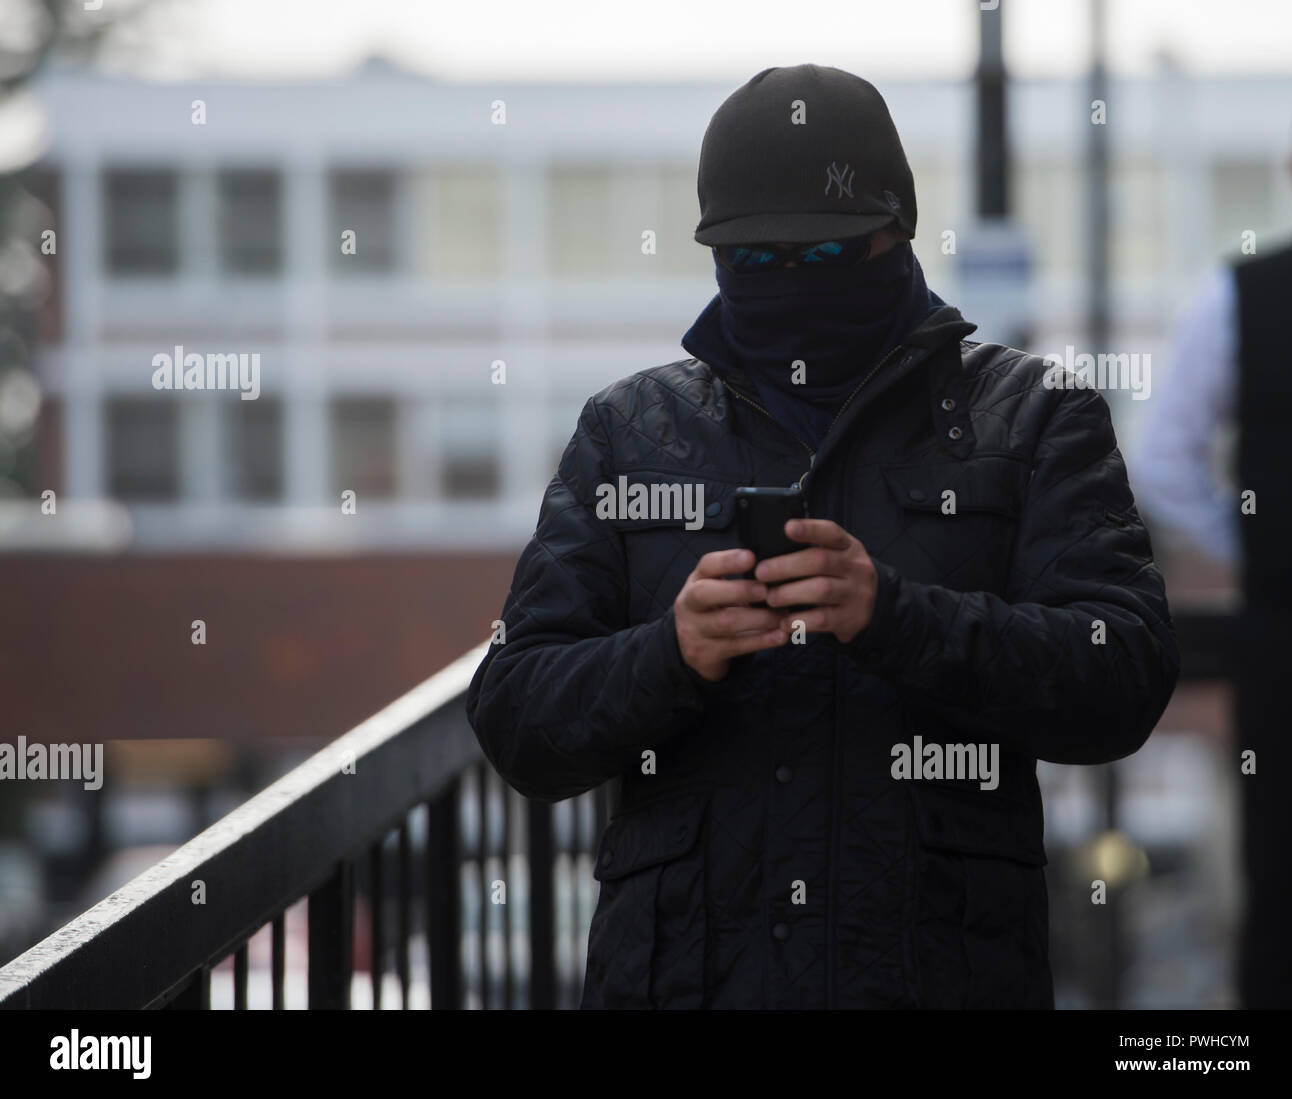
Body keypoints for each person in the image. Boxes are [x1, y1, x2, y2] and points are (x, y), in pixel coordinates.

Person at [466, 63, 1180, 1009]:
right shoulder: (629, 432)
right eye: (758, 260)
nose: (791, 280)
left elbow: (1122, 674)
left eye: (828, 255)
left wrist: (897, 617)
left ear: (899, 232)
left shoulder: (1032, 418)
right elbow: (515, 715)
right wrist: (672, 652)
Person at [1130, 120, 1292, 1009]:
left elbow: (1166, 458)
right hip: (1279, 636)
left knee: (1278, 886)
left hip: (1279, 631)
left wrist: (1260, 552)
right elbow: (1164, 458)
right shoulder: (1240, 296)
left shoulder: (1243, 296)